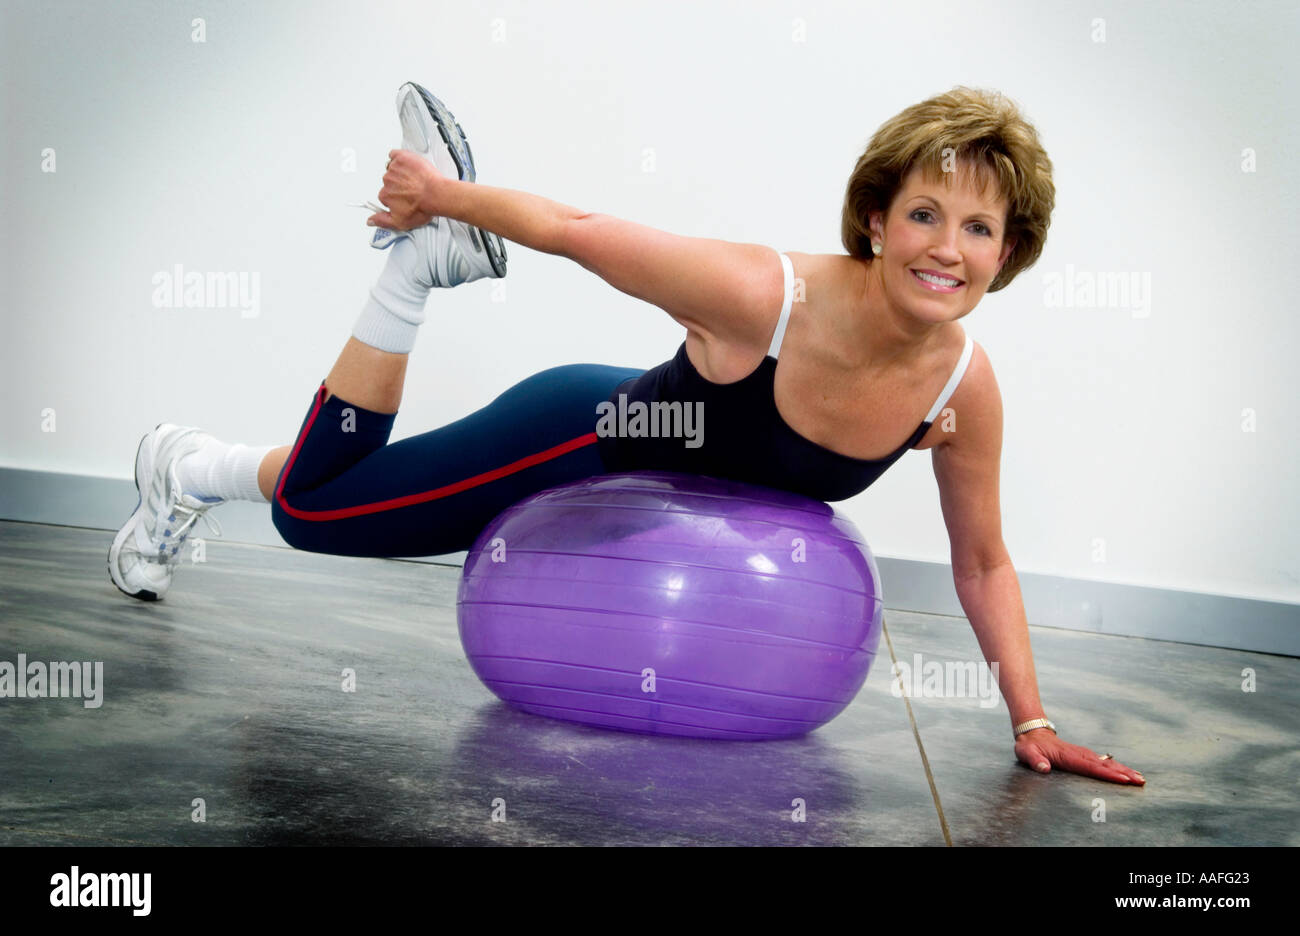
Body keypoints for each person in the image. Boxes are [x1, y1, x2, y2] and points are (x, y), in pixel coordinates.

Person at [108, 82, 1144, 786]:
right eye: (925, 214)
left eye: (978, 229)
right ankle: (417, 270)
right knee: (314, 516)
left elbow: (983, 561)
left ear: (1009, 254)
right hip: (580, 441)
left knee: (373, 485)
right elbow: (580, 232)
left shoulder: (963, 384)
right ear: (875, 218)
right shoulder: (764, 295)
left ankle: (184, 468)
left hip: (653, 521)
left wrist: (1031, 721)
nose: (945, 250)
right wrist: (439, 197)